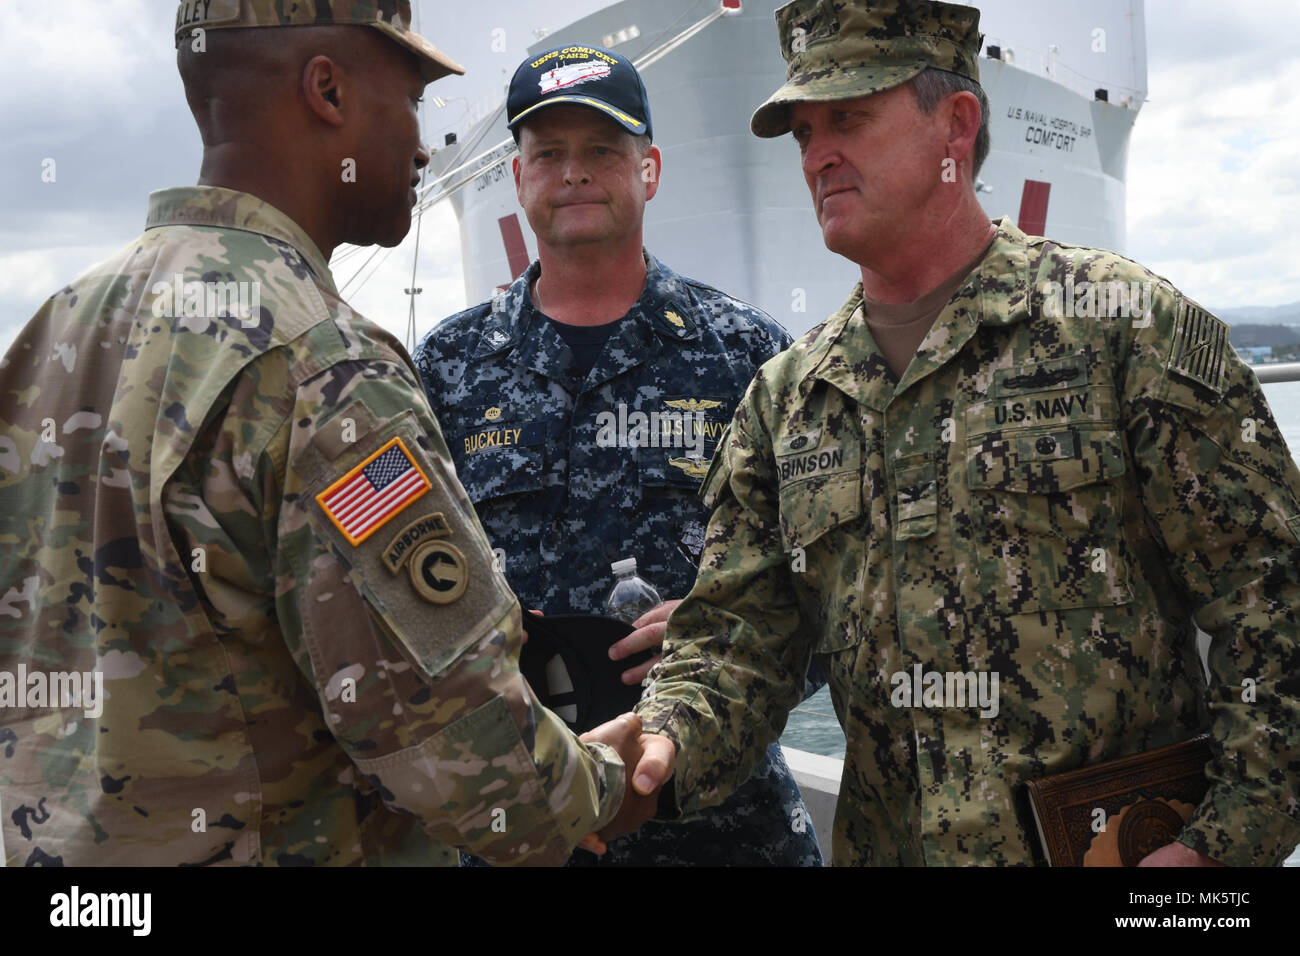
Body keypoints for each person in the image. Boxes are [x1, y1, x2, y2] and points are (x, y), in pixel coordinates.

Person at [628, 0, 1300, 866]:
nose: (818, 154)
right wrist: (662, 741)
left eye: (850, 118)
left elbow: (1273, 604)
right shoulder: (786, 401)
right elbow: (738, 640)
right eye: (802, 133)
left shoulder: (1121, 330)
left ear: (957, 124)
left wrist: (1216, 851)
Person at [0, 1, 651, 867]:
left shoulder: (58, 328)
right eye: (413, 99)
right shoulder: (320, 364)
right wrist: (610, 784)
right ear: (328, 91)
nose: (424, 146)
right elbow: (463, 748)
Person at [415, 44, 822, 866]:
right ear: (520, 177)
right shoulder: (447, 371)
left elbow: (826, 583)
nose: (575, 174)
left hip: (719, 827)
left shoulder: (749, 356)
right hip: (518, 825)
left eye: (602, 150)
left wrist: (724, 636)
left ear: (651, 169)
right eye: (549, 154)